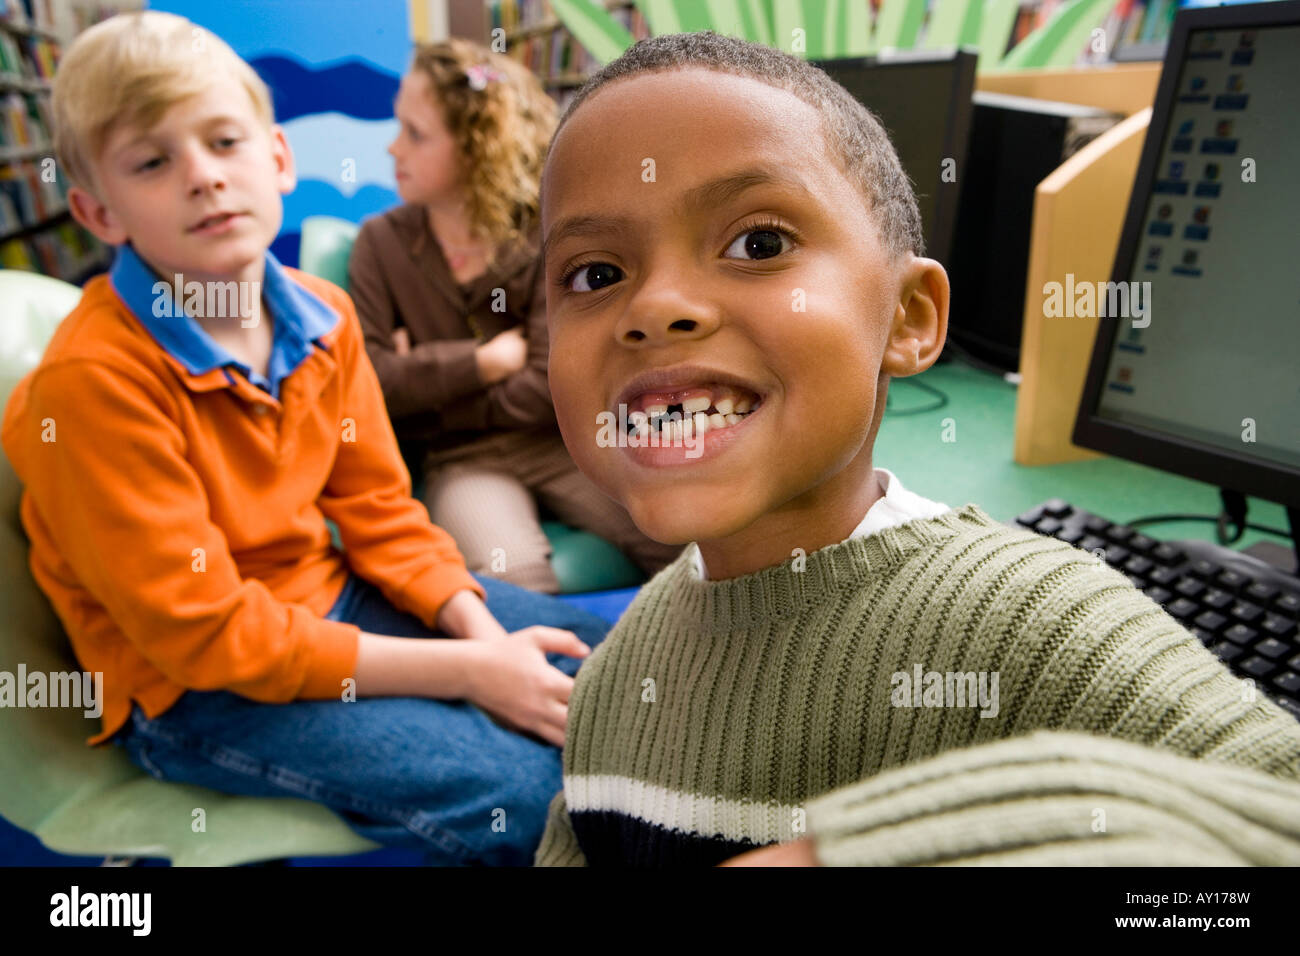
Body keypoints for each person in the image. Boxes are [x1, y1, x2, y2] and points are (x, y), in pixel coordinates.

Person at [532, 32, 1300, 866]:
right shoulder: (614, 679)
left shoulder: (1039, 625)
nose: (657, 305)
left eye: (758, 244)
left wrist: (844, 854)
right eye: (595, 274)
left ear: (909, 318)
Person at [0, 11, 609, 865]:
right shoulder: (92, 385)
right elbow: (207, 638)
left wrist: (482, 639)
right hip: (192, 692)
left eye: (224, 142)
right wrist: (474, 675)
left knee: (617, 672)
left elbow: (380, 511)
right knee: (532, 794)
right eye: (152, 161)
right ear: (99, 211)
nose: (204, 178)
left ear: (278, 159)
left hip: (332, 599)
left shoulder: (326, 317)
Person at [348, 39, 681, 594]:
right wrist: (481, 363)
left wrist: (426, 387)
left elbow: (551, 383)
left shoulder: (549, 232)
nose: (392, 148)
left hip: (567, 441)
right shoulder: (379, 243)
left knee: (683, 544)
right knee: (513, 577)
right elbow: (369, 383)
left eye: (415, 134)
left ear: (477, 147)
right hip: (463, 462)